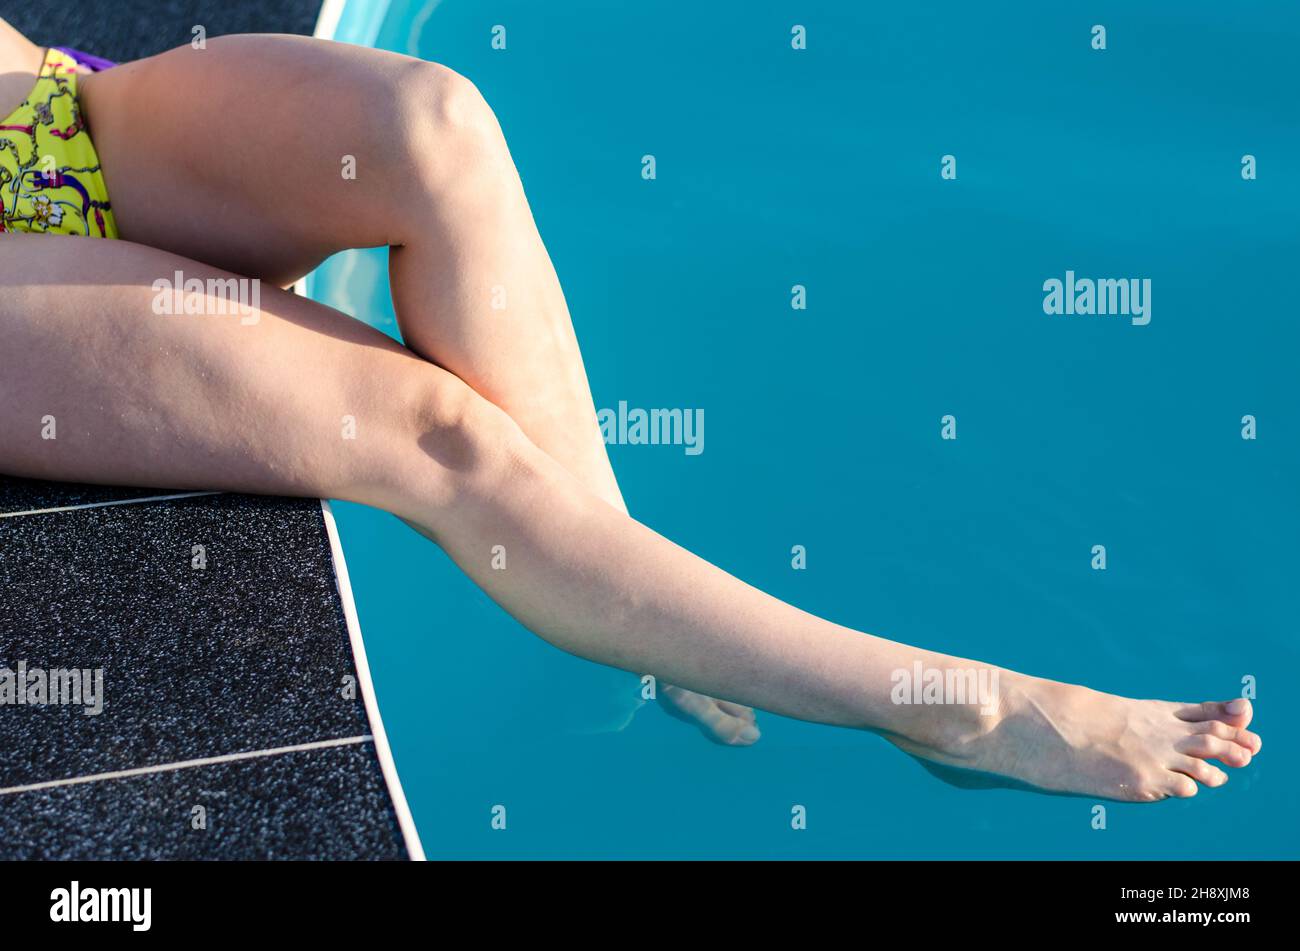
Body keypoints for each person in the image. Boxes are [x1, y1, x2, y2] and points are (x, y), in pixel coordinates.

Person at [0, 20, 1260, 800]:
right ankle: (951, 706)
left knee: (431, 122)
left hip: (38, 123)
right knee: (436, 440)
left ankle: (634, 599)